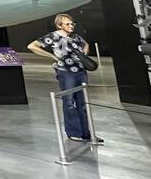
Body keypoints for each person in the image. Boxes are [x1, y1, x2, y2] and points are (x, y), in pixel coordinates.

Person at [28, 13, 101, 143]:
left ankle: (86, 133)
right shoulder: (53, 37)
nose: (71, 26)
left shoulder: (75, 37)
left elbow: (86, 44)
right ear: (59, 25)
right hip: (66, 72)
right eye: (67, 24)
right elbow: (32, 46)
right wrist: (52, 56)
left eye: (72, 23)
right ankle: (74, 132)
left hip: (81, 71)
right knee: (69, 102)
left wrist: (85, 51)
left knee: (83, 104)